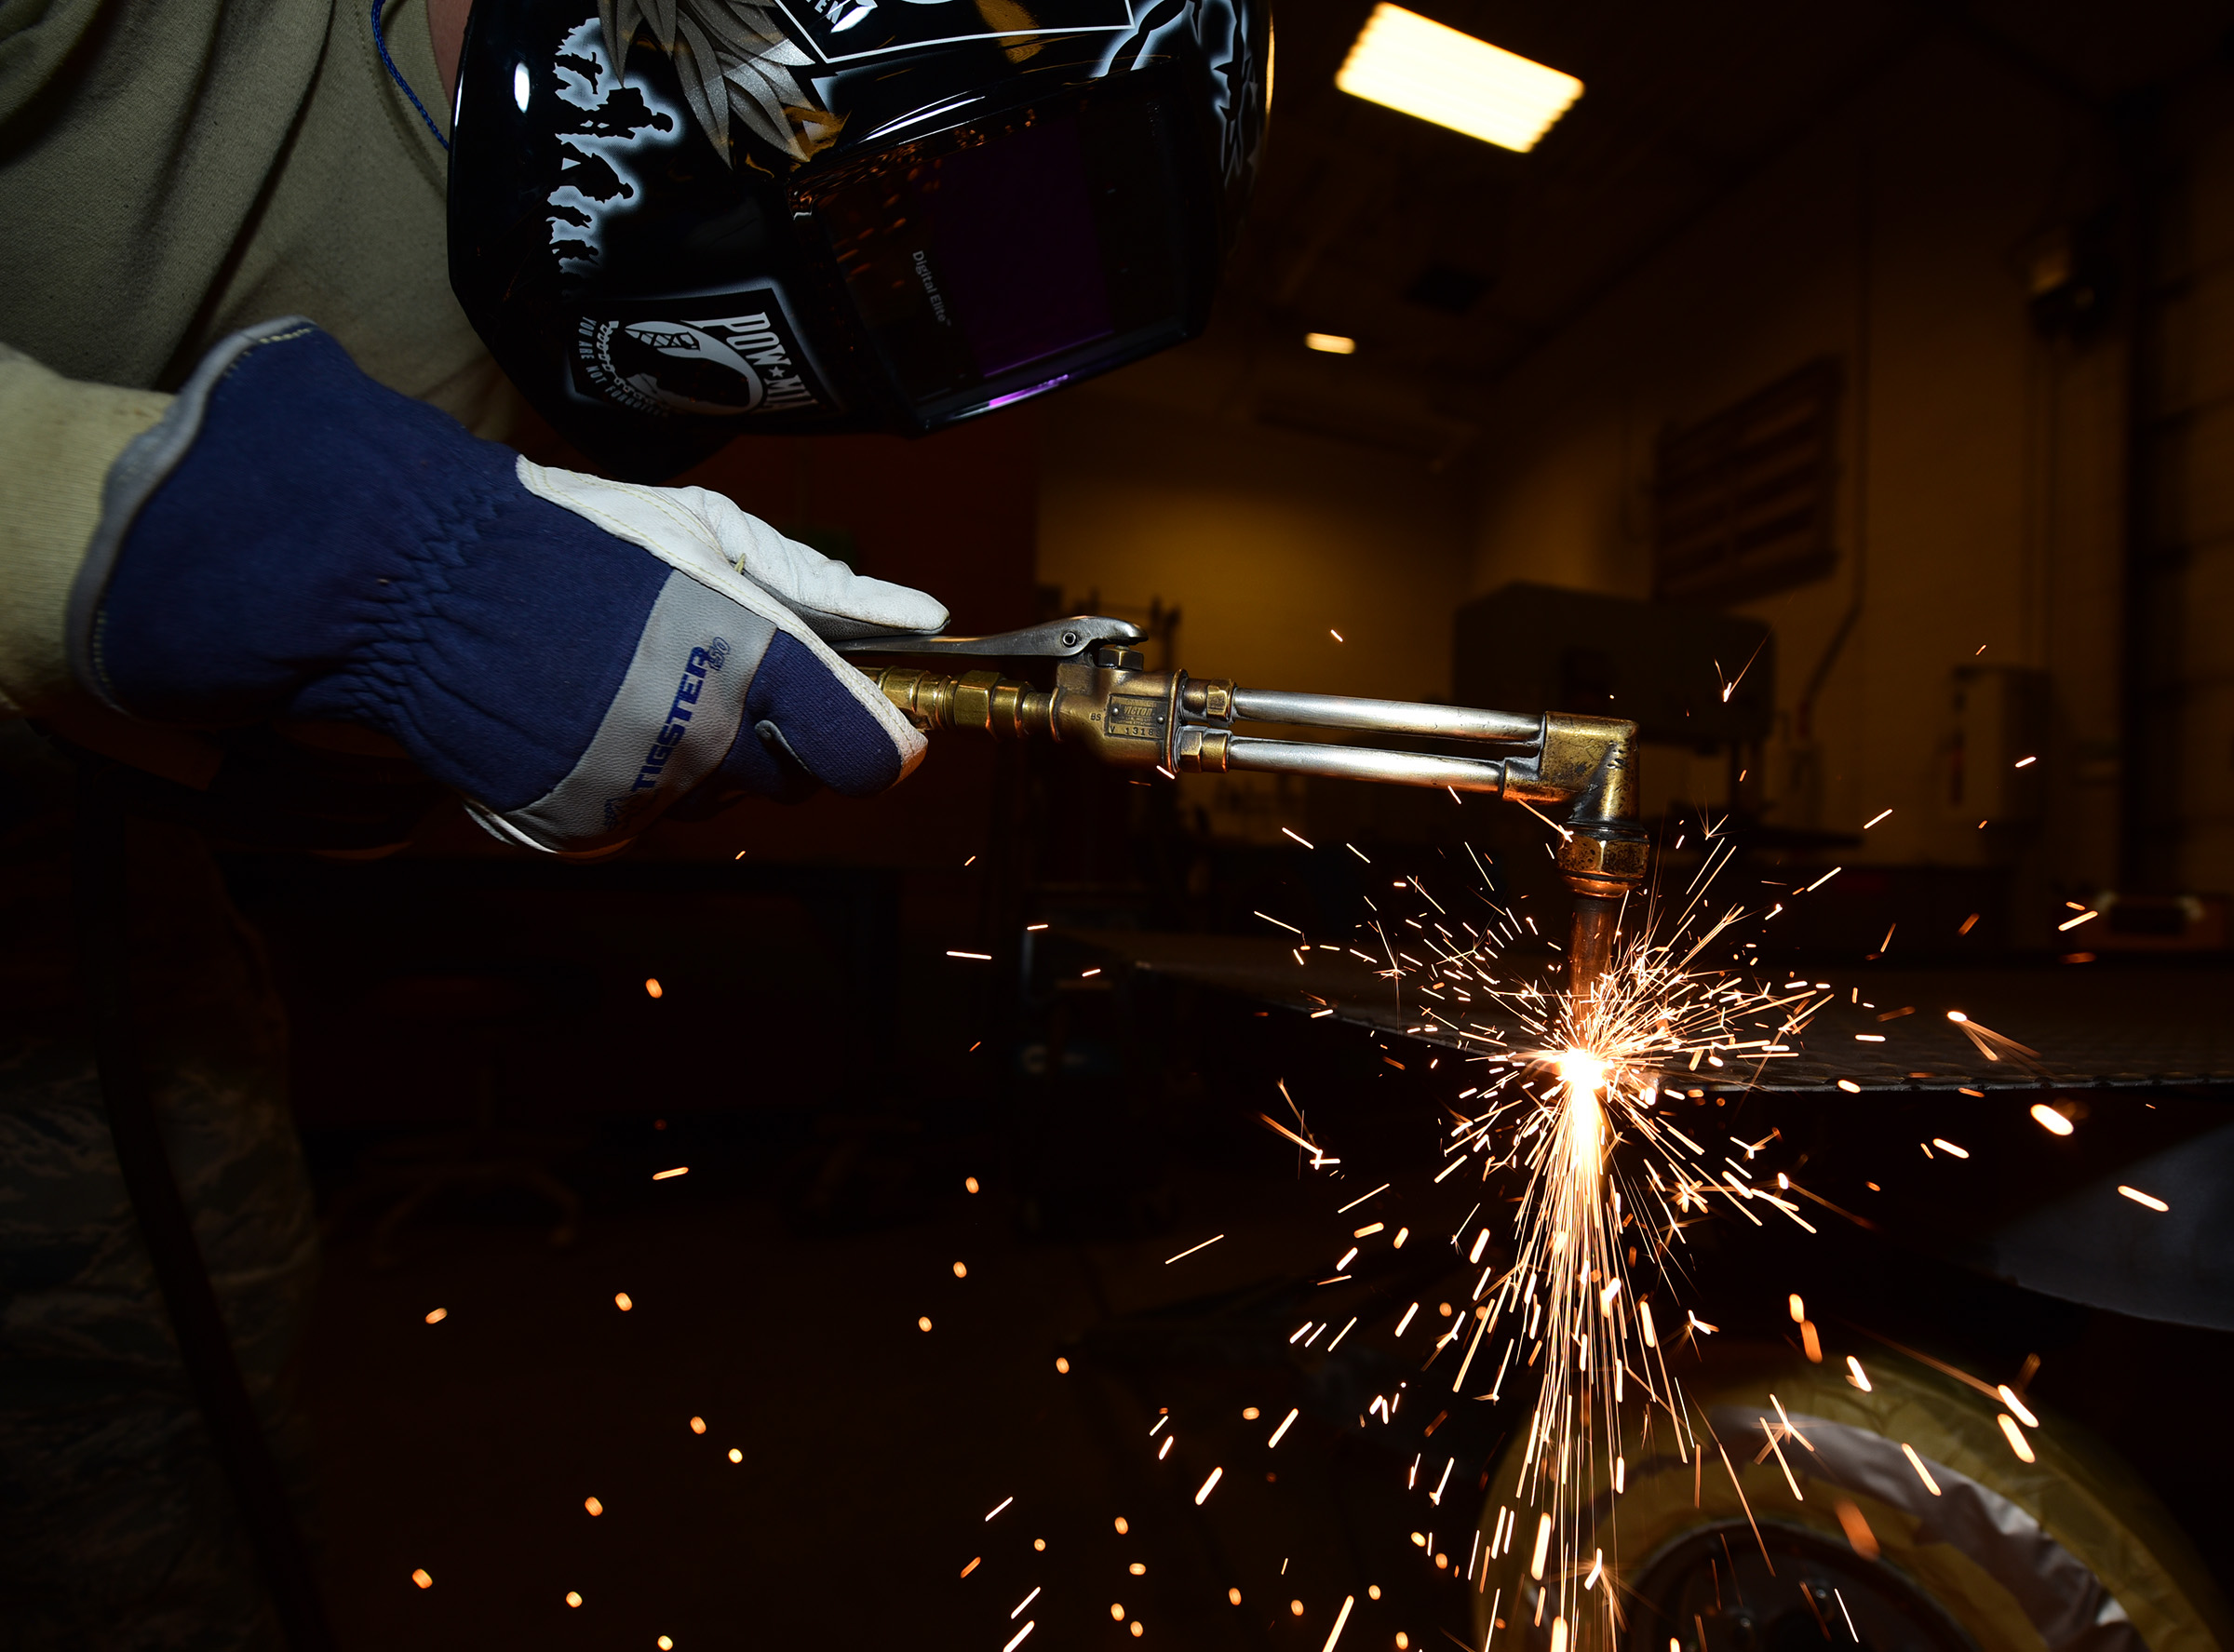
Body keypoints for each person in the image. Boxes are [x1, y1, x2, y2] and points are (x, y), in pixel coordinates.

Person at [0, 0, 1264, 1641]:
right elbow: (274, 543)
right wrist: (183, 533)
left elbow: (260, 685)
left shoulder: (561, 294)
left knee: (179, 1413)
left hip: (80, 886)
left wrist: (395, 721)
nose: (898, 296)